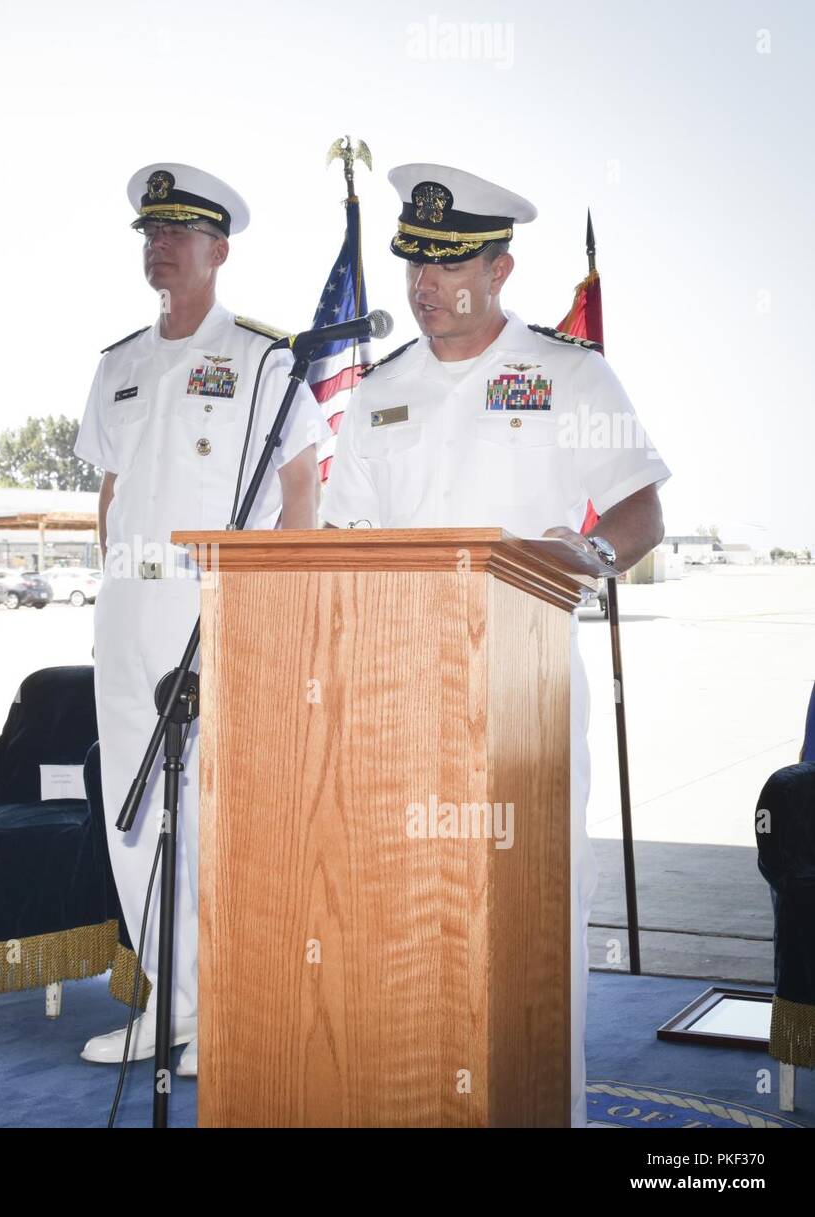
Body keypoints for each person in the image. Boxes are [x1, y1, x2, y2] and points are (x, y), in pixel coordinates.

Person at [320, 164, 670, 1127]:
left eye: (445, 265)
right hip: (397, 695)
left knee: (531, 921)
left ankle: (542, 1110)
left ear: (500, 266)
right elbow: (341, 540)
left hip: (522, 693)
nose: (423, 286)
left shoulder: (568, 373)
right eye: (413, 266)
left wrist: (586, 551)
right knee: (405, 917)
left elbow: (642, 508)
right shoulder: (379, 391)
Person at [74, 163, 327, 1077]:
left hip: (218, 607)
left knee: (219, 813)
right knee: (132, 814)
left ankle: (225, 1006)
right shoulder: (117, 365)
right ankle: (166, 1005)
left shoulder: (266, 359)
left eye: (180, 233)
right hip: (128, 607)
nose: (161, 247)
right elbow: (107, 492)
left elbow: (302, 488)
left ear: (219, 251)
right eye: (151, 233)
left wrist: (284, 610)